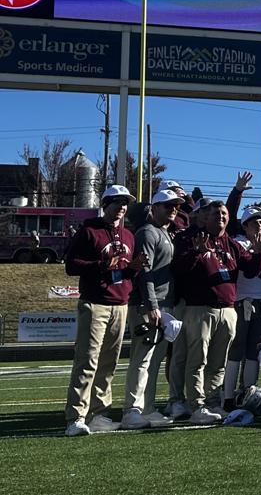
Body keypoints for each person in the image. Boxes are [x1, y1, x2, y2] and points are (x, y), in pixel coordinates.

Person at [173, 199, 261, 424]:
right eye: (216, 215)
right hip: (200, 309)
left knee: (218, 362)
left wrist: (259, 252)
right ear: (206, 219)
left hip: (228, 309)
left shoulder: (232, 244)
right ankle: (197, 405)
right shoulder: (194, 239)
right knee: (198, 360)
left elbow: (251, 270)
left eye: (224, 214)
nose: (221, 218)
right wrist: (197, 253)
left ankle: (213, 402)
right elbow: (179, 269)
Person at [64, 185, 146, 436]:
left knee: (108, 364)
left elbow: (121, 272)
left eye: (125, 203)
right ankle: (76, 417)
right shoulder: (90, 231)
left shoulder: (129, 235)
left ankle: (99, 414)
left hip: (120, 304)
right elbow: (71, 265)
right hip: (95, 302)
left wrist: (135, 268)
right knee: (87, 360)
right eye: (116, 202)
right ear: (105, 204)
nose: (121, 207)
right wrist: (101, 264)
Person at [122, 189, 181, 430]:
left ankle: (147, 407)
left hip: (163, 303)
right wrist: (152, 305)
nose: (172, 210)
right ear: (154, 208)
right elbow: (144, 271)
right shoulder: (147, 232)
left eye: (175, 206)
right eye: (167, 206)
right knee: (142, 359)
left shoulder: (164, 232)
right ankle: (131, 410)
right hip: (149, 305)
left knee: (155, 360)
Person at [223, 206, 261, 412]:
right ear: (244, 226)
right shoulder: (238, 243)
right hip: (242, 300)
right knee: (236, 348)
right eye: (254, 222)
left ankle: (248, 392)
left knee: (254, 350)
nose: (259, 225)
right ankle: (227, 396)